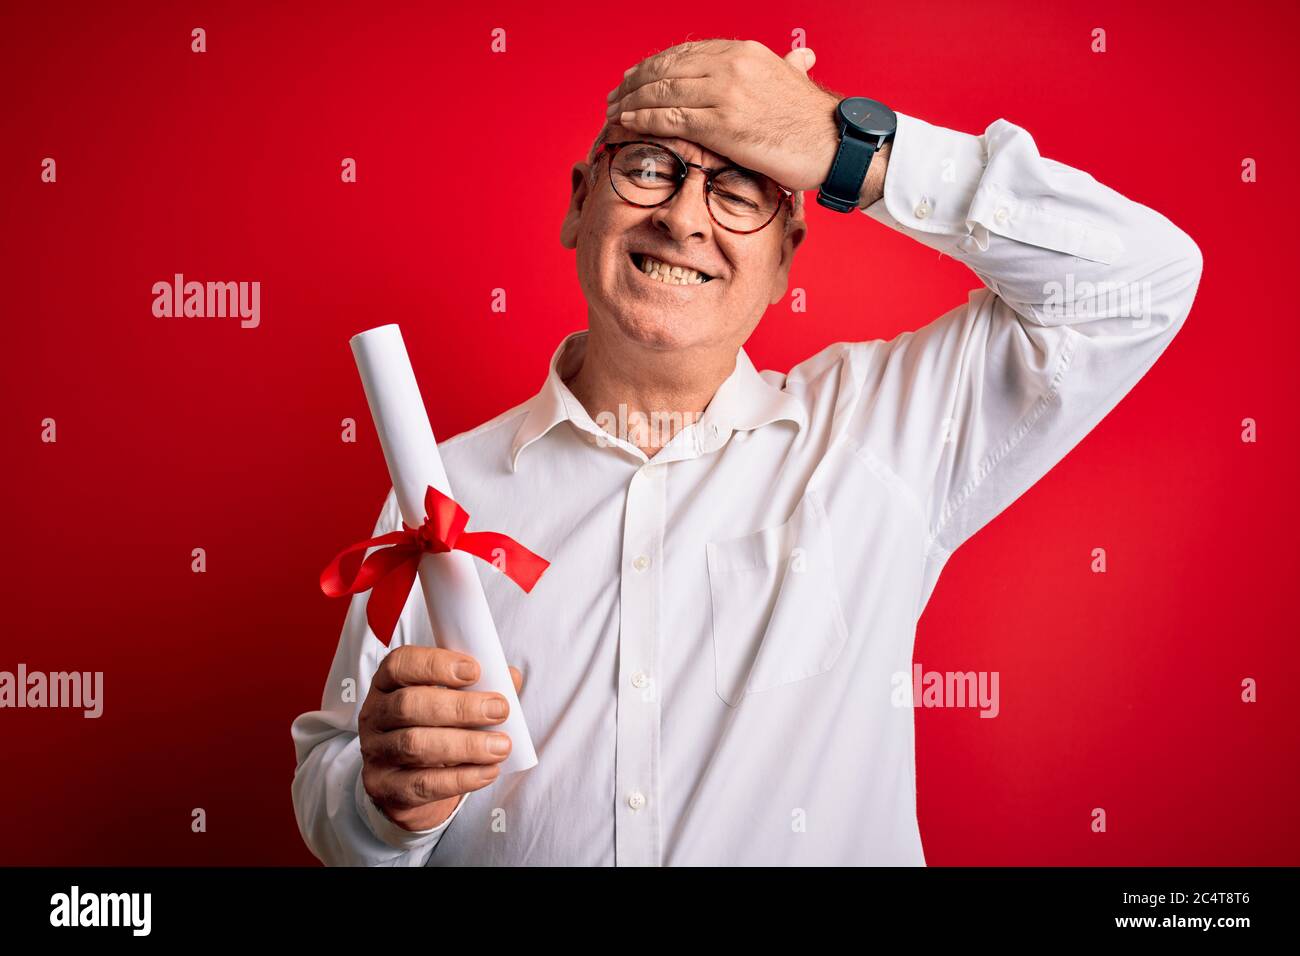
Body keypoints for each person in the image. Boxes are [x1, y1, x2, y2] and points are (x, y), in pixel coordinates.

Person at [291, 39, 1202, 865]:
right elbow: (332, 781)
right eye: (649, 168)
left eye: (740, 190)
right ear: (580, 205)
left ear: (784, 260)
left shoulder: (884, 434)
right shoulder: (444, 489)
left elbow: (1141, 280)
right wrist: (378, 804)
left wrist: (856, 149)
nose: (685, 220)